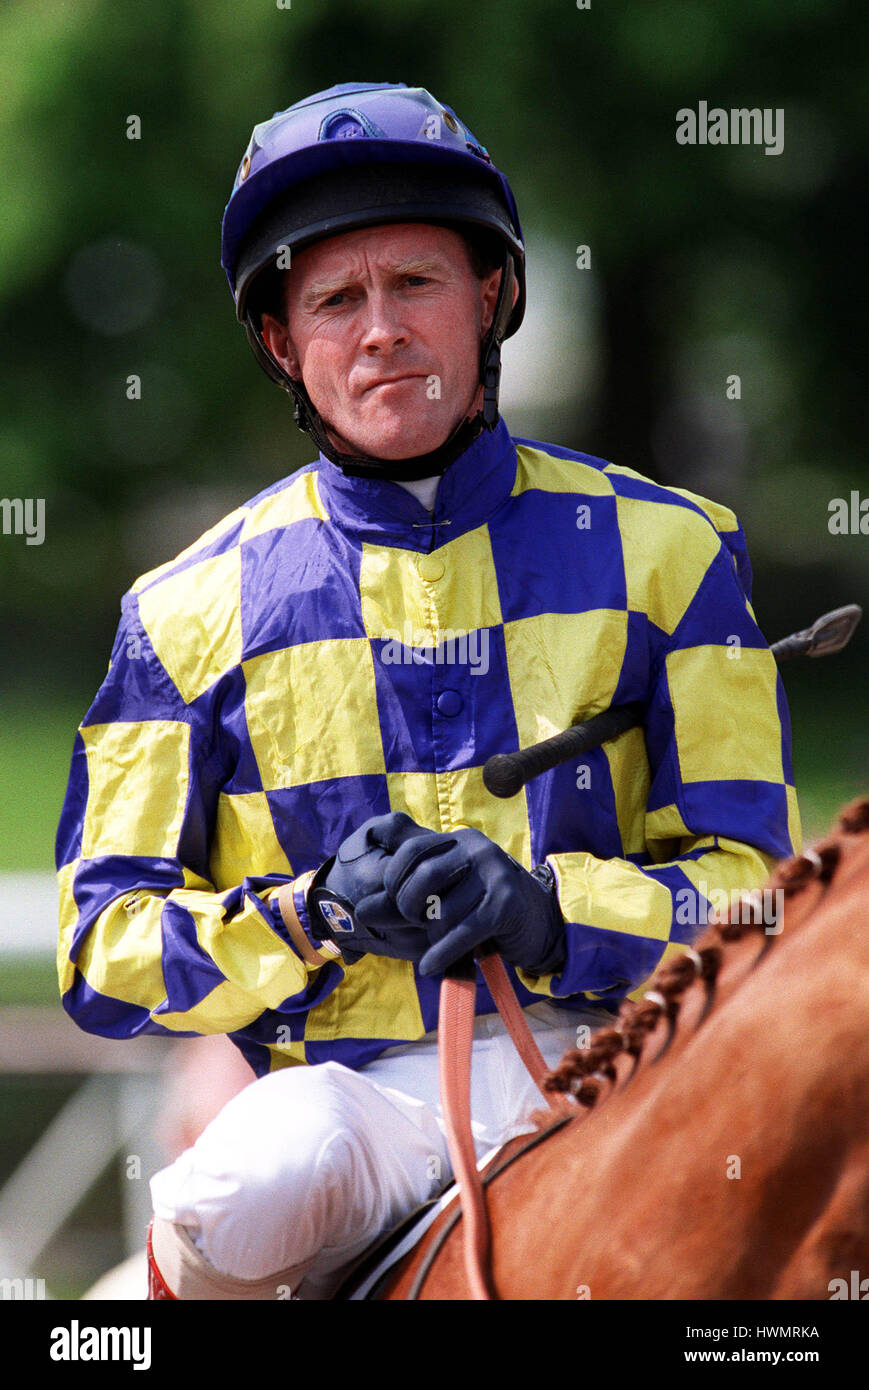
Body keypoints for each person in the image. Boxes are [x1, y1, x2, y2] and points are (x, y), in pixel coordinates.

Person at [55, 82, 801, 1300]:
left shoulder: (673, 553)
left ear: (491, 296)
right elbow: (100, 950)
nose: (380, 331)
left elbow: (757, 899)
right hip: (351, 1108)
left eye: (416, 284)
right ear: (281, 344)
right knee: (259, 1179)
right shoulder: (181, 613)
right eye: (335, 300)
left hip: (627, 1066)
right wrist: (311, 914)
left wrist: (555, 916)